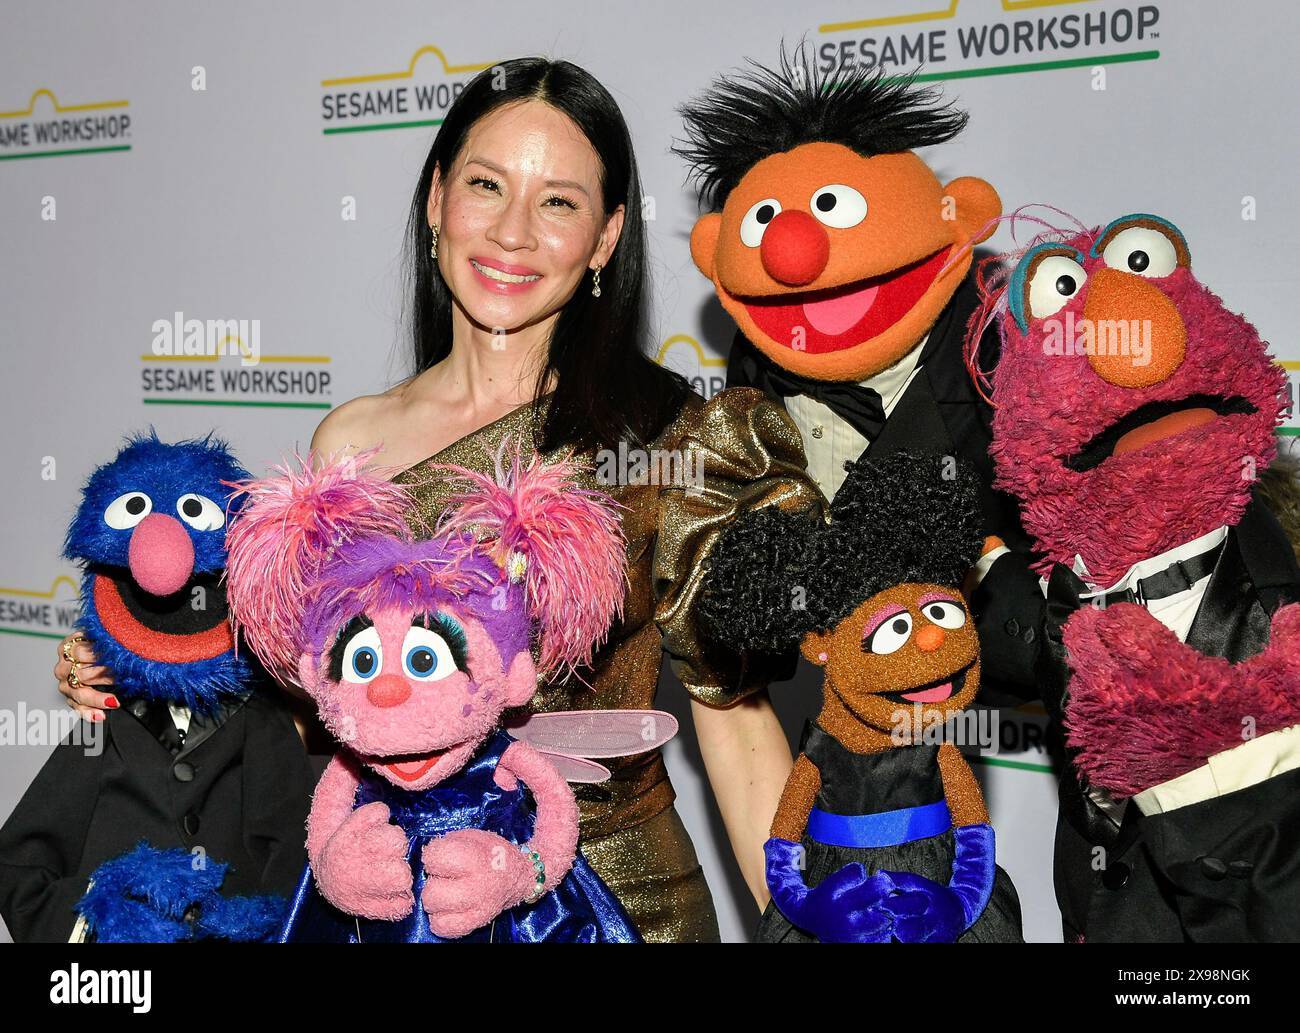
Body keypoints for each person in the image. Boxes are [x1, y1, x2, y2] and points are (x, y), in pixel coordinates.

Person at [54, 57, 825, 942]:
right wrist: (150, 672)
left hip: (614, 901)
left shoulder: (666, 442)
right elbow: (322, 720)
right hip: (396, 901)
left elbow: (734, 727)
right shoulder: (349, 446)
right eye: (486, 186)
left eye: (560, 203)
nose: (512, 232)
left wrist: (801, 922)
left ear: (607, 238)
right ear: (435, 200)